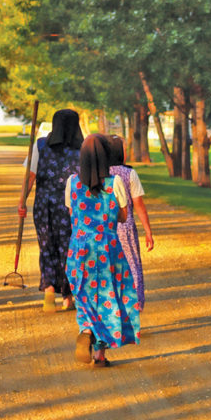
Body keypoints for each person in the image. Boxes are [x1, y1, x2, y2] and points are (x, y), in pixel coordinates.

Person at [66, 133, 141, 367]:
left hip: (79, 249)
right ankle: (99, 353)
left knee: (84, 294)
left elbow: (73, 215)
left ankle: (87, 330)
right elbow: (123, 216)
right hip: (108, 250)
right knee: (109, 298)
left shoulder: (72, 183)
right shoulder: (114, 183)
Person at [18, 109, 83, 312]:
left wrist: (22, 201)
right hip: (72, 206)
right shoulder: (83, 149)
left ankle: (48, 290)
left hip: (44, 205)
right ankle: (67, 298)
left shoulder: (41, 145)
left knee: (47, 245)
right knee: (70, 248)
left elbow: (30, 176)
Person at [107, 135, 154, 310]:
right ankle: (133, 306)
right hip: (125, 227)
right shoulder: (129, 173)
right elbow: (139, 205)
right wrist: (148, 231)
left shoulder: (99, 173)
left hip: (105, 228)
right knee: (131, 265)